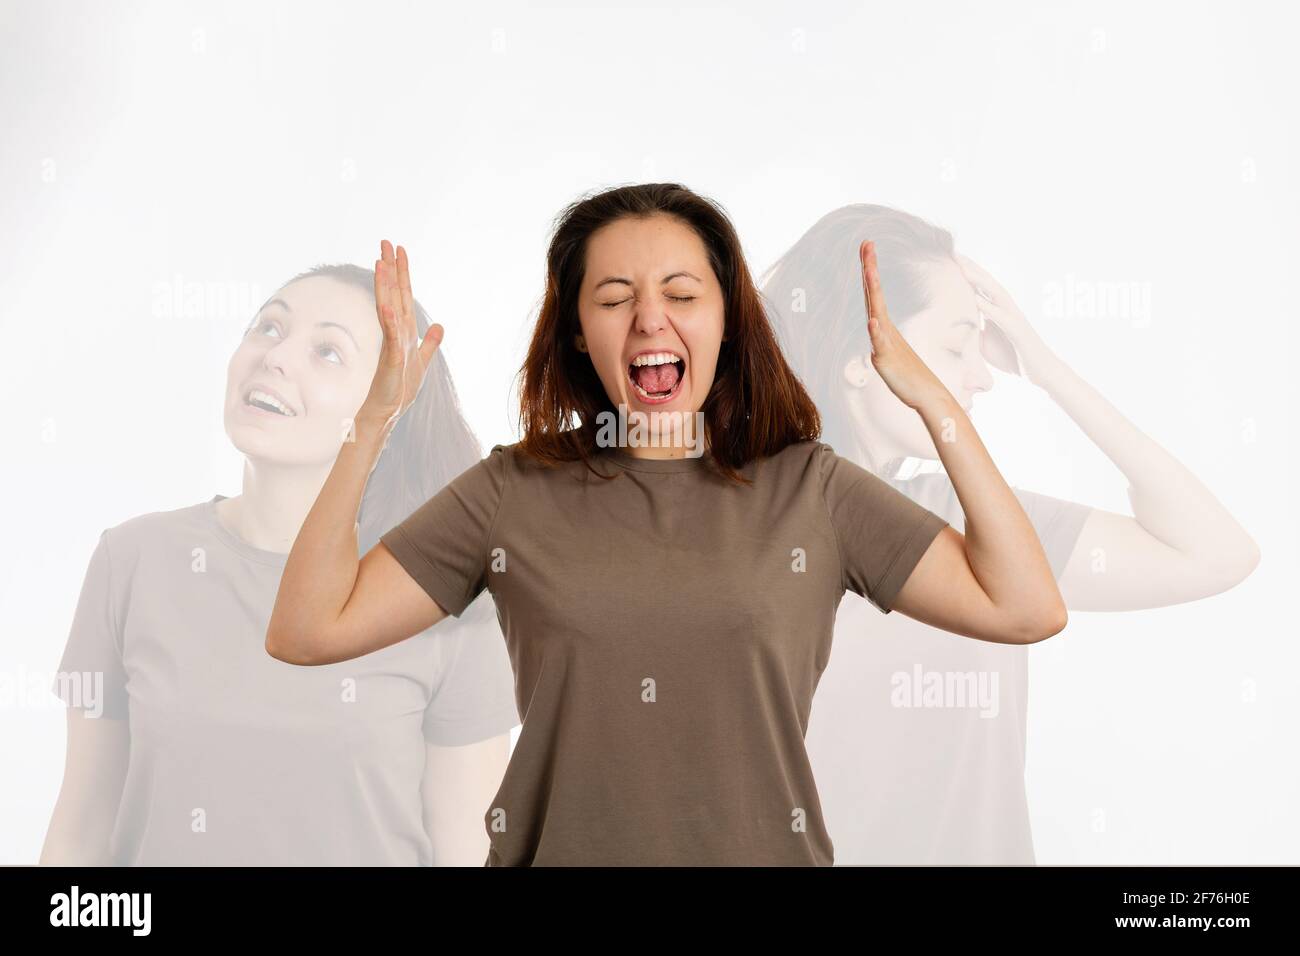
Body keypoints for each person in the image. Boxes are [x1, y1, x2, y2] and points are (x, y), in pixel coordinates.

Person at [266, 183, 1071, 866]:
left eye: (683, 295)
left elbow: (1025, 607)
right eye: (615, 299)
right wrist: (370, 422)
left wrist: (933, 402)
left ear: (727, 320)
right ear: (580, 331)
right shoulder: (513, 491)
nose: (651, 319)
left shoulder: (813, 489)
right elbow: (307, 628)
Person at [762, 203, 1261, 863]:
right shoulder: (745, 528)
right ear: (864, 355)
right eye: (953, 344)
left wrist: (1047, 368)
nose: (982, 376)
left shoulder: (974, 522)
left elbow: (1215, 554)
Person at [42, 263, 519, 866]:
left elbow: (468, 852)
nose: (276, 356)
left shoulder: (440, 600)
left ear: (390, 410)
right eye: (268, 327)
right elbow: (80, 834)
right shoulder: (132, 560)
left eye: (327, 351)